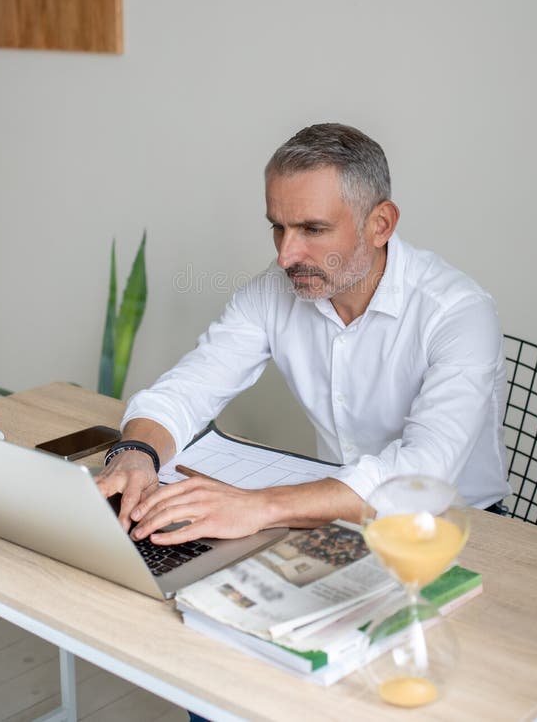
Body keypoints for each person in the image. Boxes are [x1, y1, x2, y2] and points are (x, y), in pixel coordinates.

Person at [96, 123, 510, 545]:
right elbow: (186, 391)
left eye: (312, 230)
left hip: (460, 534)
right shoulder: (273, 290)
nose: (286, 255)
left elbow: (423, 476)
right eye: (278, 226)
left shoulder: (459, 313)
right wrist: (136, 455)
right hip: (329, 520)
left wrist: (260, 506)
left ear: (380, 224)